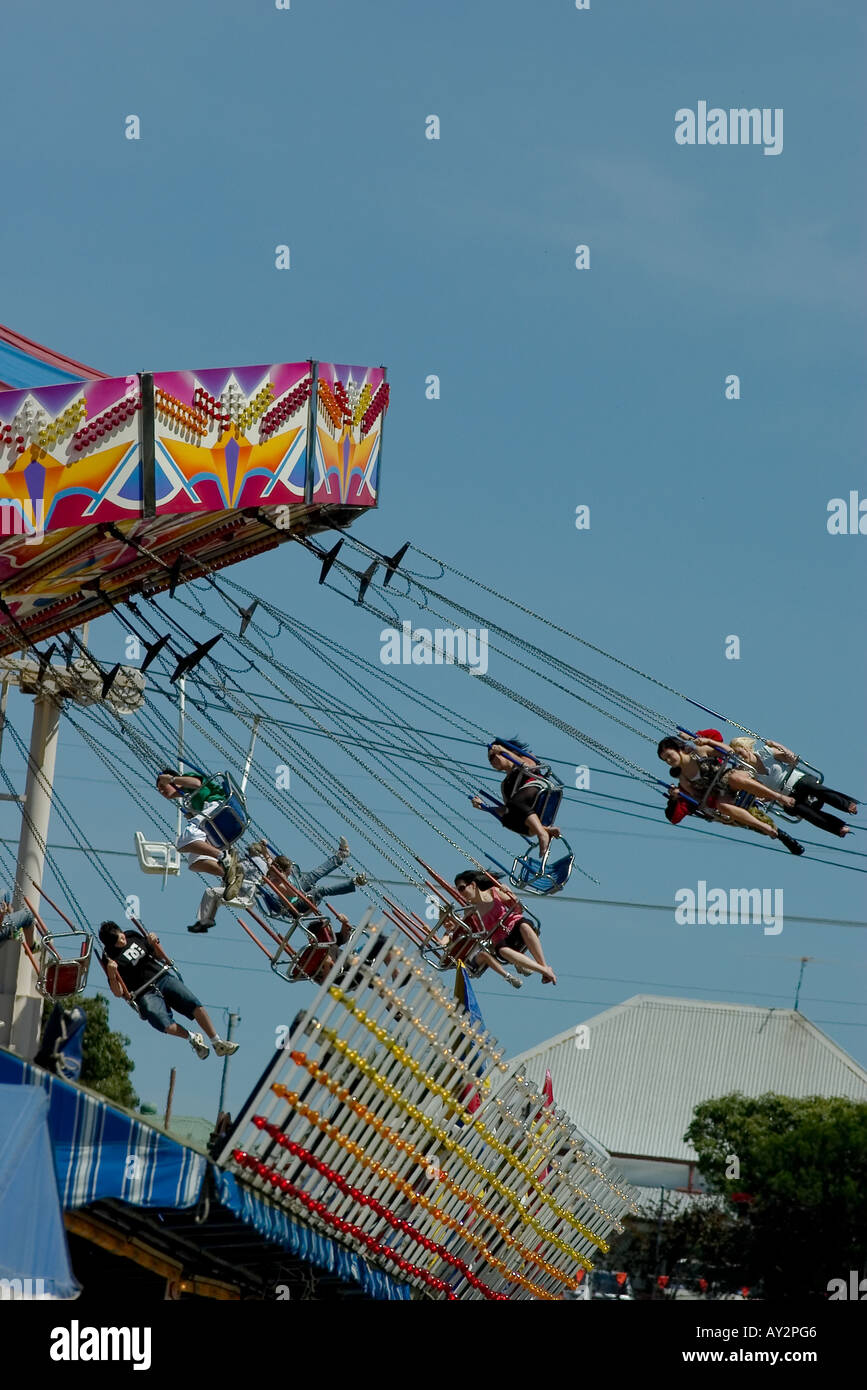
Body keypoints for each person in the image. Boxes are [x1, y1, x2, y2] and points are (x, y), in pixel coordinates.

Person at [98, 920, 239, 1060]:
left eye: (121, 937)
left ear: (122, 932)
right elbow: (118, 993)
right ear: (111, 945)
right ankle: (192, 1037)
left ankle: (217, 1042)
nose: (122, 942)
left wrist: (154, 942)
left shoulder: (132, 936)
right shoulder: (109, 957)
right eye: (117, 943)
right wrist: (111, 974)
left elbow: (158, 956)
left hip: (162, 978)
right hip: (144, 992)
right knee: (162, 1023)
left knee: (193, 1004)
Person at [657, 734, 804, 855]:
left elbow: (728, 751)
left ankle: (779, 797)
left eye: (670, 756)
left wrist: (708, 741)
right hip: (721, 791)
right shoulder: (683, 779)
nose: (669, 761)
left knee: (735, 778)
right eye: (665, 760)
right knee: (722, 806)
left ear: (678, 748)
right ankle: (766, 828)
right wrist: (678, 797)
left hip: (730, 776)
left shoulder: (700, 751)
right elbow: (696, 796)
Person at [729, 737, 858, 838]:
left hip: (796, 780)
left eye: (740, 753)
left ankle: (847, 805)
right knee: (804, 812)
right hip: (785, 795)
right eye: (737, 756)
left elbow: (792, 760)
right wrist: (763, 799)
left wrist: (776, 745)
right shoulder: (748, 773)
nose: (740, 757)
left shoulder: (766, 752)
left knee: (815, 788)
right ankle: (838, 828)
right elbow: (762, 792)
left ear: (746, 748)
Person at [453, 870, 557, 986]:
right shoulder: (470, 911)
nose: (461, 893)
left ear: (472, 885)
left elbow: (518, 909)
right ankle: (544, 970)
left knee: (524, 926)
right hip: (500, 939)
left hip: (514, 925)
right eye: (459, 890)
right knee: (502, 951)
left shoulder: (494, 892)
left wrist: (510, 894)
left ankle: (543, 966)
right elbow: (478, 933)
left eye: (462, 888)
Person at [156, 770, 244, 899]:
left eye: (163, 787)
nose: (162, 792)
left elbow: (197, 783)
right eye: (159, 791)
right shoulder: (189, 800)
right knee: (195, 862)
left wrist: (171, 779)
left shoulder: (188, 778)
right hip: (214, 822)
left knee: (184, 841)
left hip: (217, 805)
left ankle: (223, 857)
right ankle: (230, 873)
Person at [472, 738, 562, 860]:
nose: (492, 761)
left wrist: (505, 751)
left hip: (538, 788)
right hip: (525, 805)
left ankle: (542, 834)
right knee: (507, 819)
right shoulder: (505, 785)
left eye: (494, 755)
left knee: (515, 803)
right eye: (490, 759)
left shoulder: (525, 757)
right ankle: (544, 830)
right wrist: (485, 808)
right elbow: (507, 809)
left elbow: (529, 766)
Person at [254, 839, 367, 919]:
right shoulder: (278, 883)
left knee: (313, 875)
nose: (290, 870)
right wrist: (285, 879)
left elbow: (268, 858)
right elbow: (295, 894)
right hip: (297, 906)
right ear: (282, 871)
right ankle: (354, 883)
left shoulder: (276, 869)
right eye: (288, 869)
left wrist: (264, 847)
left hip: (298, 891)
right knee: (320, 890)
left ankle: (342, 855)